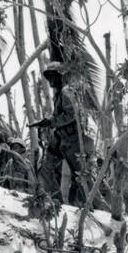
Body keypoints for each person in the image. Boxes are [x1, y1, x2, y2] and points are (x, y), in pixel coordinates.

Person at [36, 65, 89, 206]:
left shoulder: (66, 92)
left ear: (60, 76)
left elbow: (72, 114)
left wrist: (51, 121)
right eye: (48, 77)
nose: (49, 80)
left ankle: (91, 207)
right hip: (62, 140)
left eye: (52, 76)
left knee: (82, 177)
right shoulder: (59, 95)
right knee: (45, 168)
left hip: (73, 140)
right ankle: (57, 201)